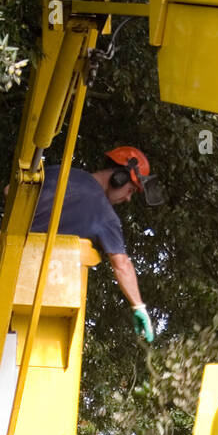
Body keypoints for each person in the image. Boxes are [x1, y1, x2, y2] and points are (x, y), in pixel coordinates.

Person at [30, 146, 162, 343]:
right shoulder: (105, 216)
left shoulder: (60, 172)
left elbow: (9, 191)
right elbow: (121, 265)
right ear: (119, 178)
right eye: (130, 190)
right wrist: (138, 306)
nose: (127, 198)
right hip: (39, 288)